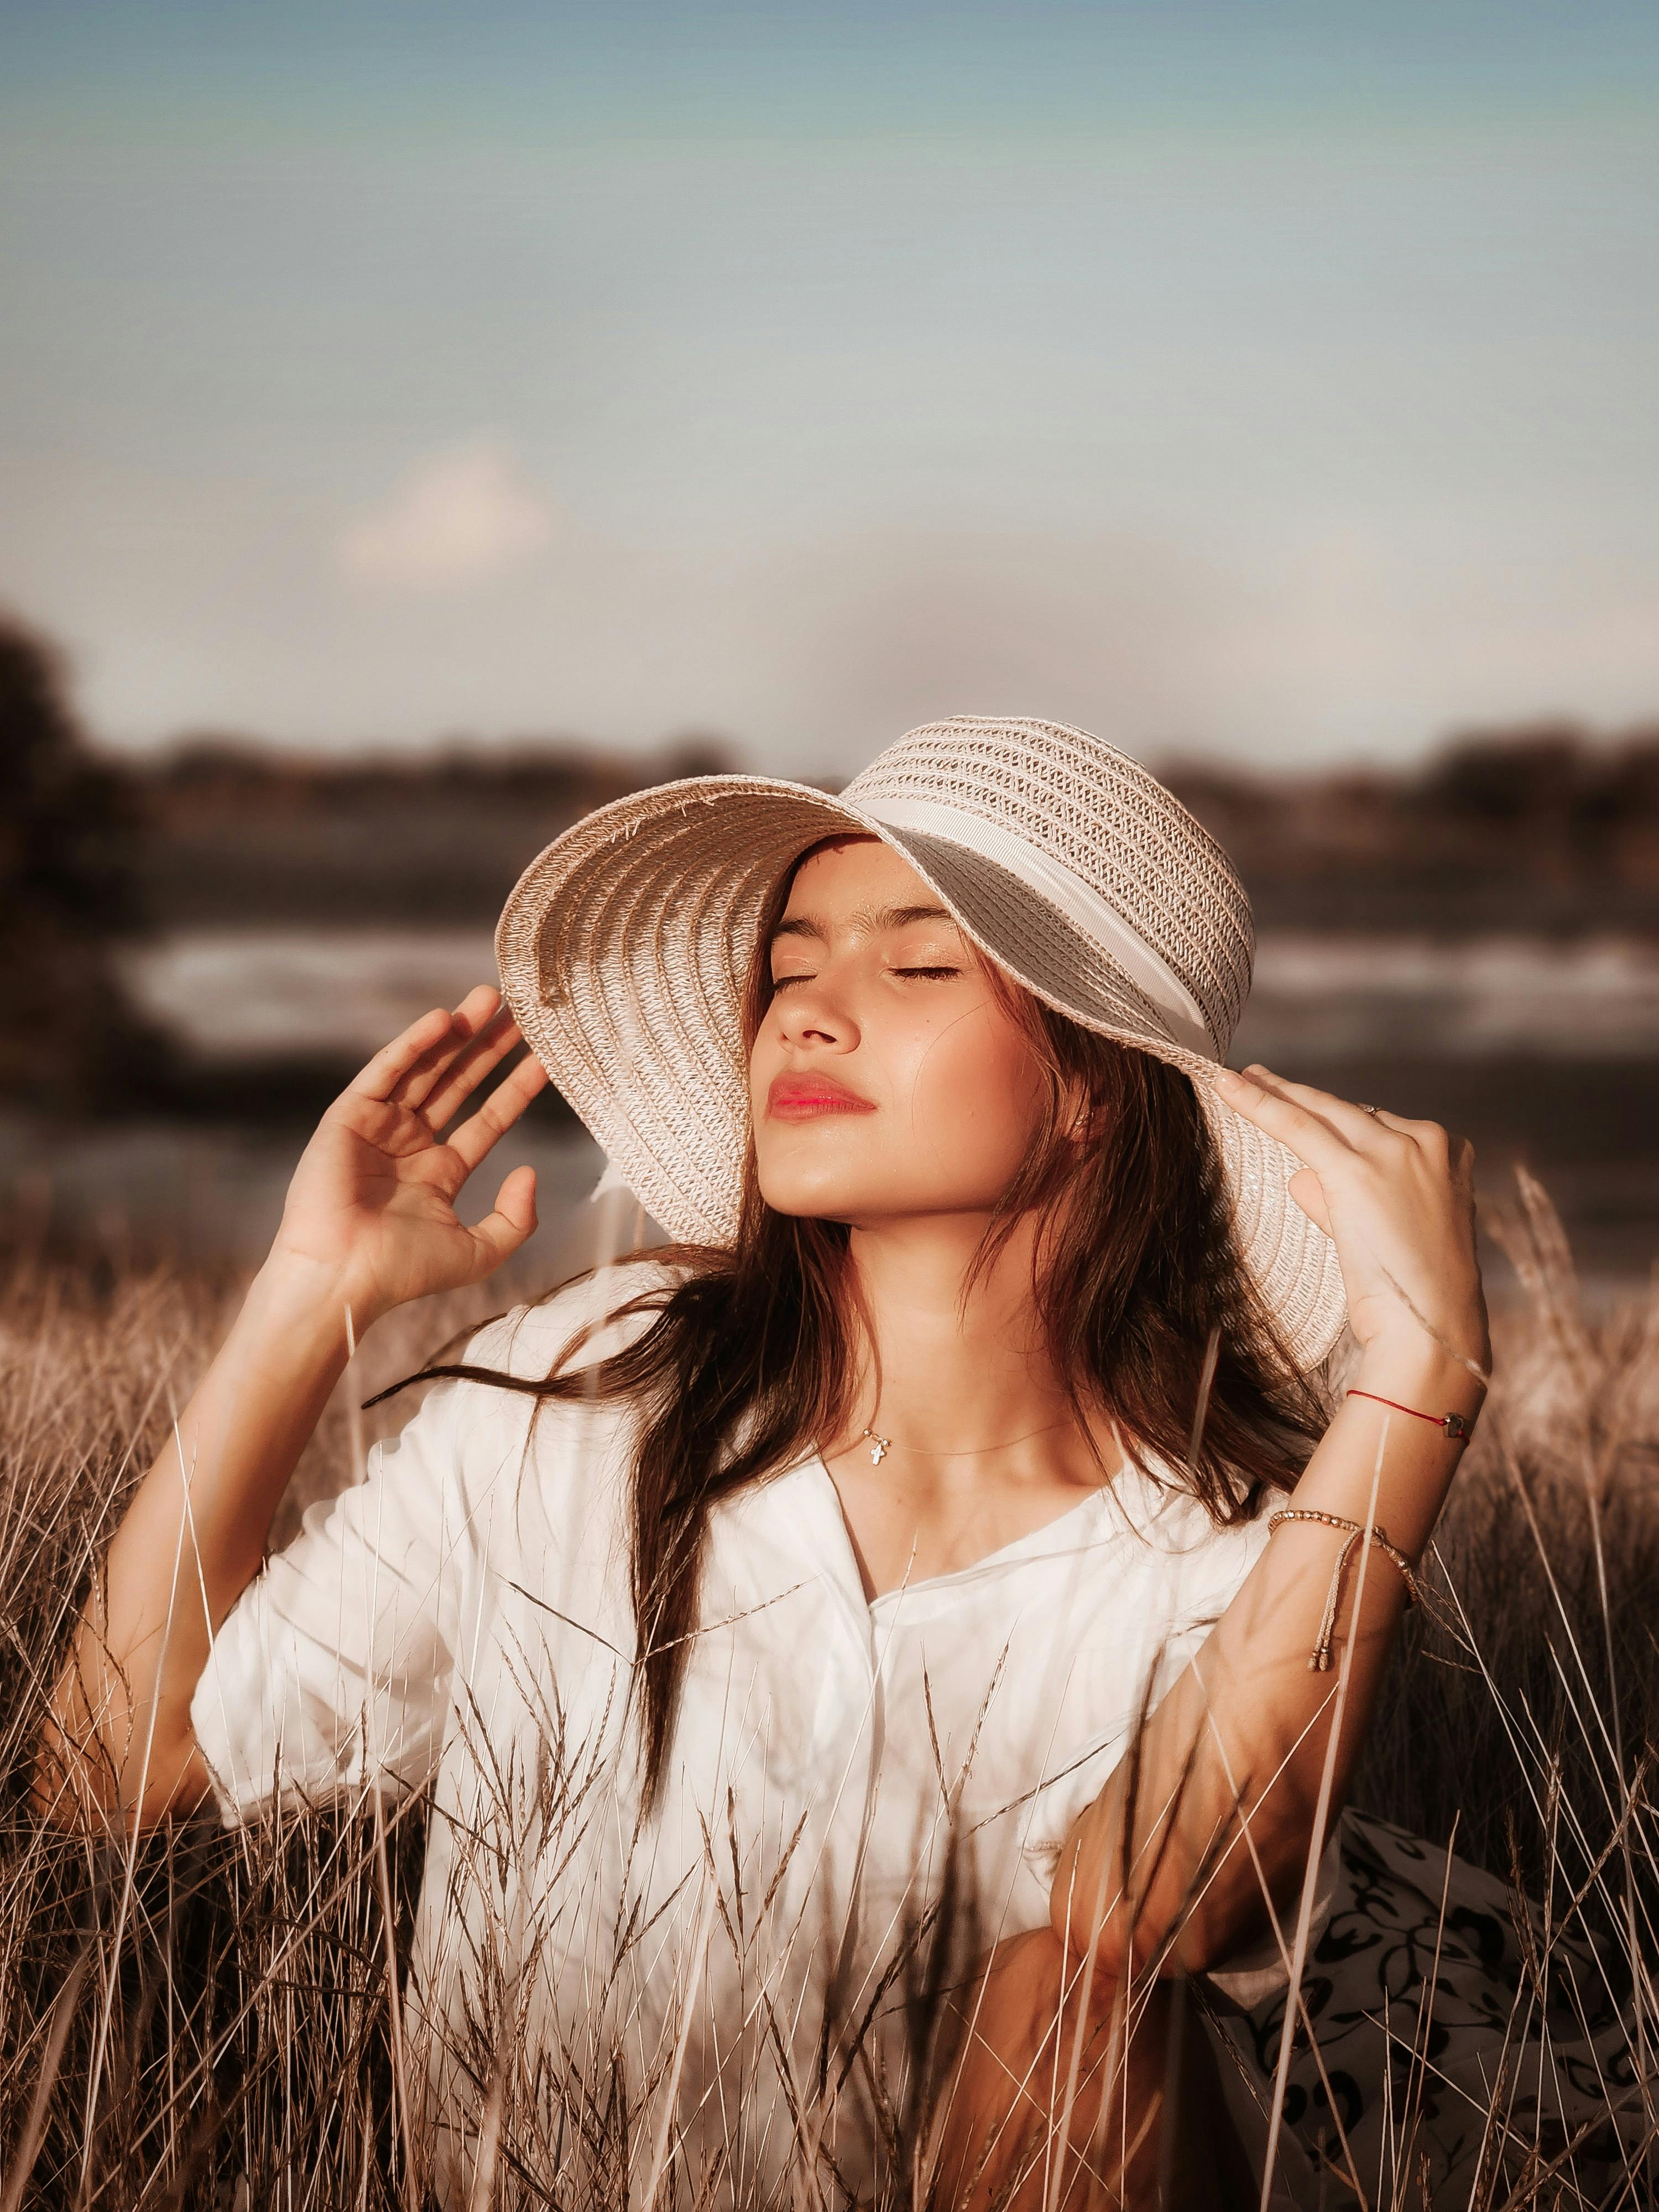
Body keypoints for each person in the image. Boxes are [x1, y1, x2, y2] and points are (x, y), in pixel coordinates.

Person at [38, 718, 1611, 2209]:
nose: (807, 1009)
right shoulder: (587, 1394)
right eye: (789, 968)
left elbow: (1168, 1908)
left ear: (1091, 1082)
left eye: (918, 963)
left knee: (1069, 1994)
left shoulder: (1217, 1549)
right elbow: (112, 1778)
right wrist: (308, 1294)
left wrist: (1418, 1378)